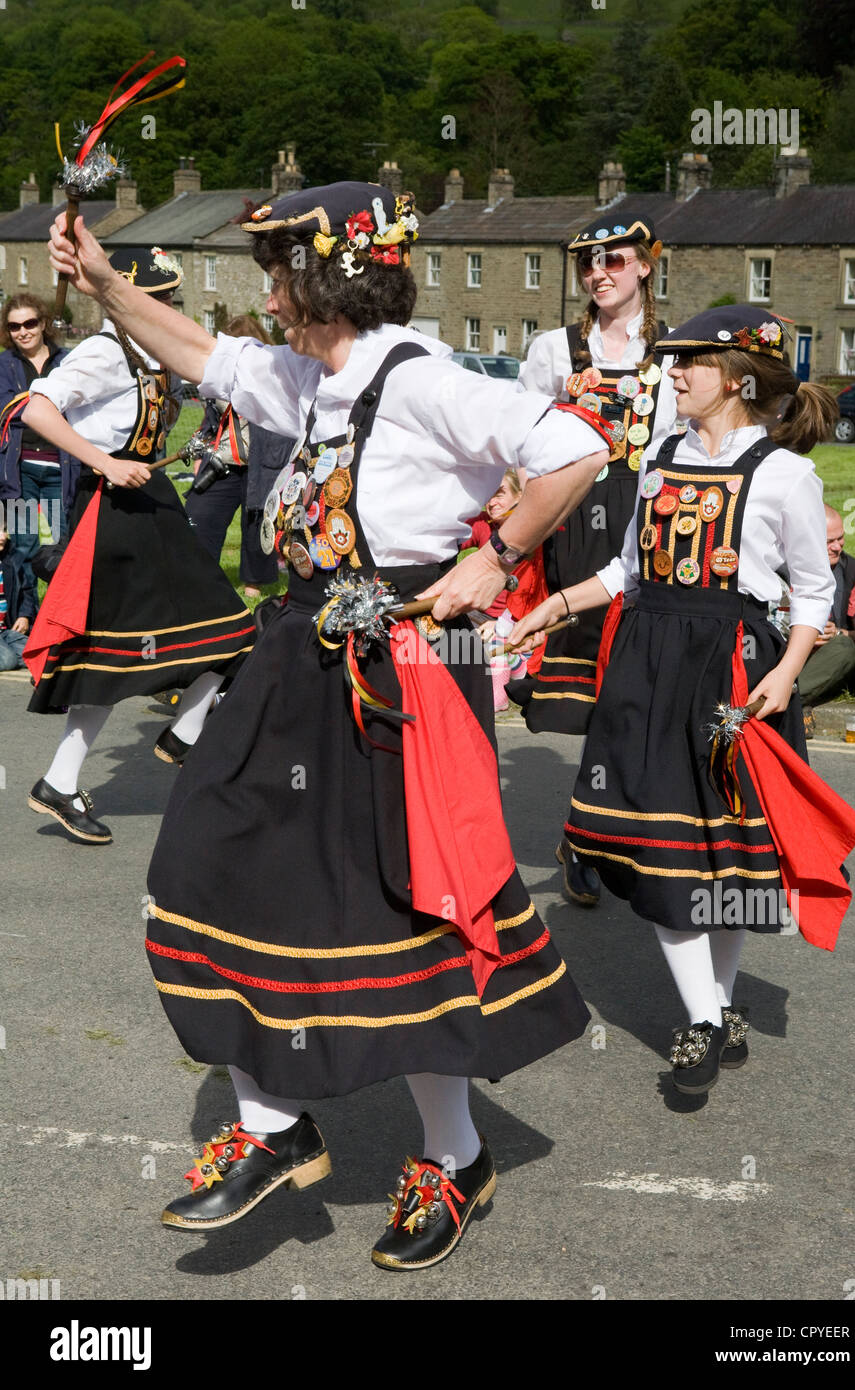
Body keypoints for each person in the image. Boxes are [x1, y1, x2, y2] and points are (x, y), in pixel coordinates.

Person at [47, 181, 610, 1269]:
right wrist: (109, 283)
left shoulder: (424, 378)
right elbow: (198, 353)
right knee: (209, 862)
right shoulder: (312, 376)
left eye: (276, 271)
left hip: (397, 669)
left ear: (325, 277)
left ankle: (453, 1154)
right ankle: (273, 1127)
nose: (264, 292)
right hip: (294, 656)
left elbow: (576, 446)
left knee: (406, 912)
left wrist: (491, 556)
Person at [511, 306, 855, 1099]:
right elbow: (630, 571)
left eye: (687, 362)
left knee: (725, 852)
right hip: (647, 665)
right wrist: (553, 606)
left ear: (735, 377)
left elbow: (814, 592)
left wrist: (787, 674)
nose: (670, 374)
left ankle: (723, 1007)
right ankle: (703, 1016)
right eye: (670, 361)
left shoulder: (786, 476)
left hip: (735, 673)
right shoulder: (662, 456)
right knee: (664, 853)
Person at [21, 247, 256, 846]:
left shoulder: (149, 352)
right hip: (113, 511)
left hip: (149, 503)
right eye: (162, 299)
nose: (170, 308)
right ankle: (71, 777)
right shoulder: (104, 351)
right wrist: (104, 461)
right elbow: (35, 411)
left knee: (232, 630)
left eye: (171, 298)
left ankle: (180, 735)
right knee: (111, 655)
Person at [518, 216, 678, 906]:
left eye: (613, 261)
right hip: (576, 521)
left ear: (645, 266)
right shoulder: (554, 347)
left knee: (634, 690)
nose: (599, 273)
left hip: (647, 522)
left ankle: (594, 833)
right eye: (589, 264)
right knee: (593, 692)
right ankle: (591, 834)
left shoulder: (675, 352)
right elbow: (523, 438)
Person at [184, 315, 296, 597]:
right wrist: (200, 451)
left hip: (263, 463)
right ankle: (198, 575)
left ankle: (253, 584)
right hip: (222, 461)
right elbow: (211, 420)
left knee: (257, 522)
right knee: (199, 513)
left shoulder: (272, 375)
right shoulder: (218, 376)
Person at [462, 468, 547, 711]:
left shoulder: (533, 528)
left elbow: (529, 587)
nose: (492, 501)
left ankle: (505, 683)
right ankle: (512, 664)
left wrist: (502, 622)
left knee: (493, 640)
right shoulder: (483, 525)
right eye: (488, 496)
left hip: (517, 614)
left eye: (499, 494)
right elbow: (453, 536)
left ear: (519, 497)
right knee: (452, 636)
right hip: (482, 613)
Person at [0, 294, 78, 562]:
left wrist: (30, 405)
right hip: (22, 472)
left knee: (61, 545)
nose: (23, 332)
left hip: (60, 469)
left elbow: (75, 406)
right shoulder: (4, 365)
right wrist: (49, 405)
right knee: (23, 546)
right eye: (15, 326)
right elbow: (7, 410)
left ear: (43, 323)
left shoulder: (66, 362)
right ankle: (25, 606)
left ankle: (61, 606)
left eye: (29, 323)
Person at [796, 504, 855, 709]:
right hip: (786, 654)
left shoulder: (853, 571)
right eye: (829, 541)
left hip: (825, 660)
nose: (838, 547)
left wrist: (837, 633)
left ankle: (788, 698)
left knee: (845, 649)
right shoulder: (783, 567)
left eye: (840, 538)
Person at [0, 525, 37, 670]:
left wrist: (24, 616)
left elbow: (27, 591)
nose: (3, 537)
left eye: (4, 530)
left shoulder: (12, 558)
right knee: (8, 660)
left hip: (6, 631)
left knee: (38, 654)